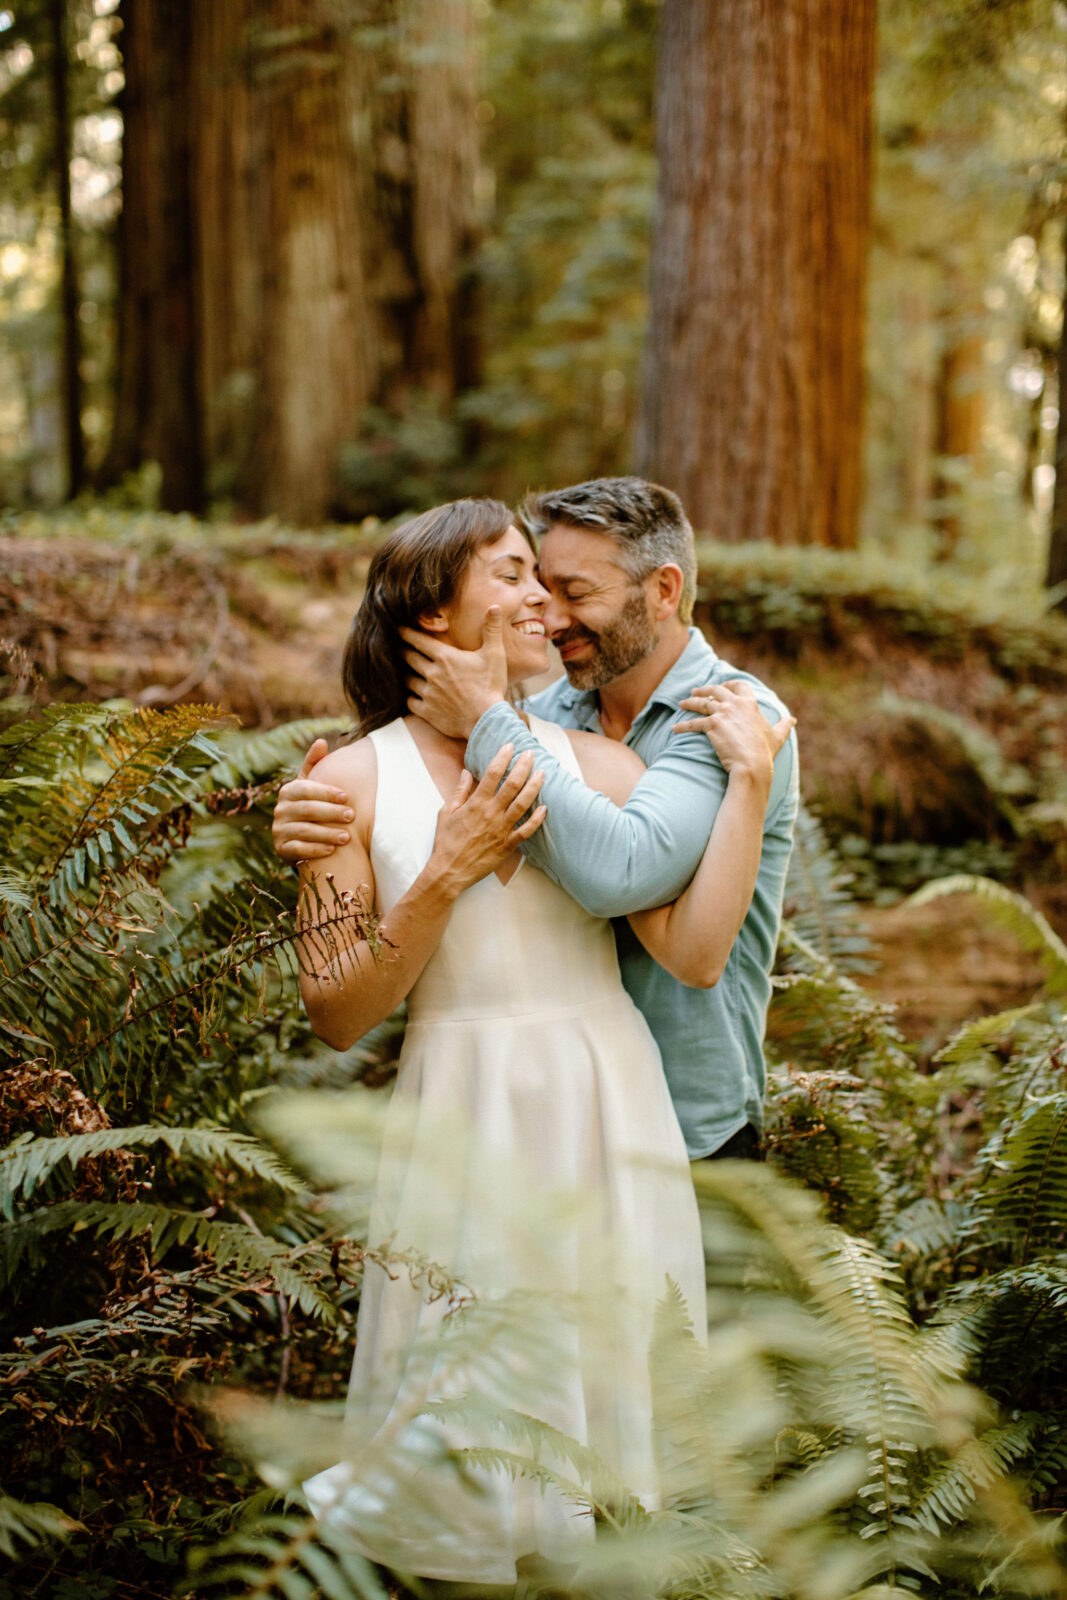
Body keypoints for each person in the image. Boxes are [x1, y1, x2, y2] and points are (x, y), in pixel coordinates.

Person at [293, 497, 793, 1584]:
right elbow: (334, 1009)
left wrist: (751, 780)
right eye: (515, 575)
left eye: (552, 581)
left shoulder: (594, 768)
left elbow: (692, 946)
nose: (540, 605)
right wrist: (443, 870)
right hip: (463, 1105)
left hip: (609, 1104)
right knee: (461, 1394)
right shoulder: (343, 784)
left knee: (624, 1402)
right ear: (432, 608)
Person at [275, 477, 800, 1168]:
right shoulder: (546, 720)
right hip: (487, 1116)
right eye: (533, 584)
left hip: (682, 1111)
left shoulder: (729, 721)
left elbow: (638, 894)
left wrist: (485, 718)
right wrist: (305, 815)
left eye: (573, 594)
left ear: (663, 592)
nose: (549, 616)